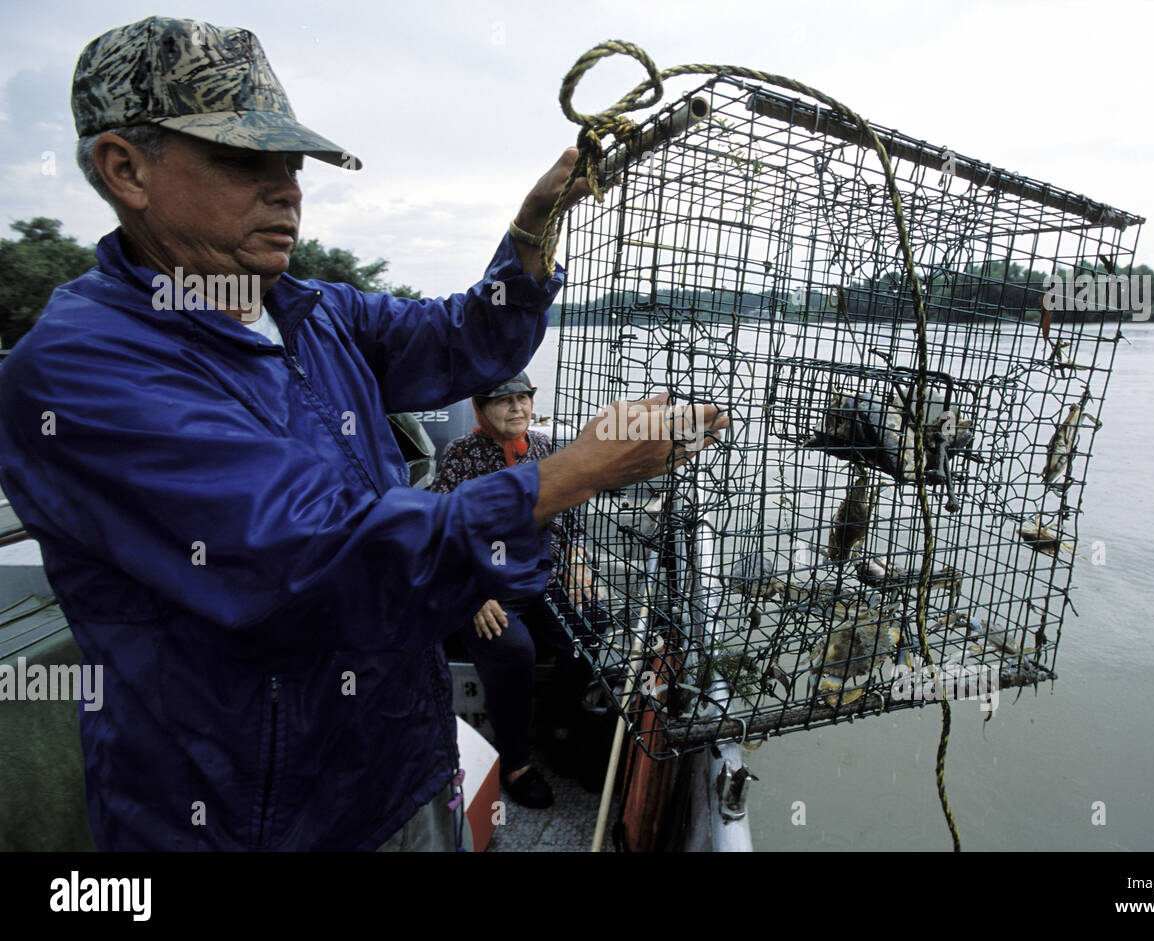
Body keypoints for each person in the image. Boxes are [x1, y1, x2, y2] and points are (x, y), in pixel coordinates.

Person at [0, 15, 727, 851]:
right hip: (248, 821)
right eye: (244, 160)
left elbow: (466, 339)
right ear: (124, 168)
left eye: (293, 163)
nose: (287, 189)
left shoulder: (308, 310)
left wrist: (534, 226)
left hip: (396, 761)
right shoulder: (82, 370)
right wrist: (573, 475)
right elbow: (319, 559)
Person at [432, 372, 604, 808]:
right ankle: (516, 762)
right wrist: (471, 592)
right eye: (503, 400)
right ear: (481, 407)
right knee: (513, 649)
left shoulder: (543, 449)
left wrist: (577, 559)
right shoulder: (461, 455)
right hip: (484, 587)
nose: (517, 408)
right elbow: (442, 532)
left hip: (538, 575)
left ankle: (558, 727)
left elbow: (566, 511)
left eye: (523, 398)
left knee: (591, 622)